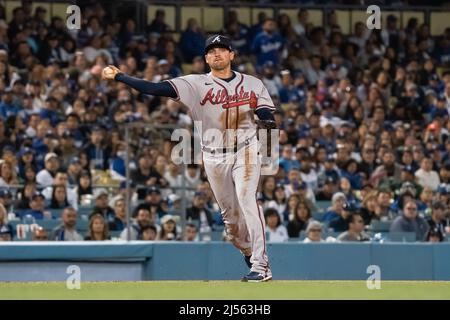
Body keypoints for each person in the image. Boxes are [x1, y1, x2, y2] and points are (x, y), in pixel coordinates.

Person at [103, 34, 277, 282]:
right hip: (214, 156)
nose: (217, 53)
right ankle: (249, 254)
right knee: (232, 225)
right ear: (206, 58)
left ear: (231, 55)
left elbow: (265, 111)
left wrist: (268, 124)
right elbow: (154, 88)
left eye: (222, 49)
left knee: (248, 200)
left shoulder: (253, 83)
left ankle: (261, 266)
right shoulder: (194, 84)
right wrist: (121, 76)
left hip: (246, 150)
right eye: (211, 51)